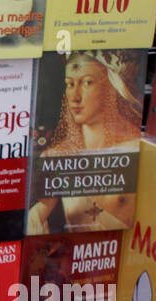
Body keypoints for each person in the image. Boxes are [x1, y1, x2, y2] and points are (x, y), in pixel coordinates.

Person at [27, 51, 143, 234]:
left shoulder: (135, 148)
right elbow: (35, 218)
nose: (75, 96)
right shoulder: (56, 156)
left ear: (109, 87)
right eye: (70, 84)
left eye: (87, 82)